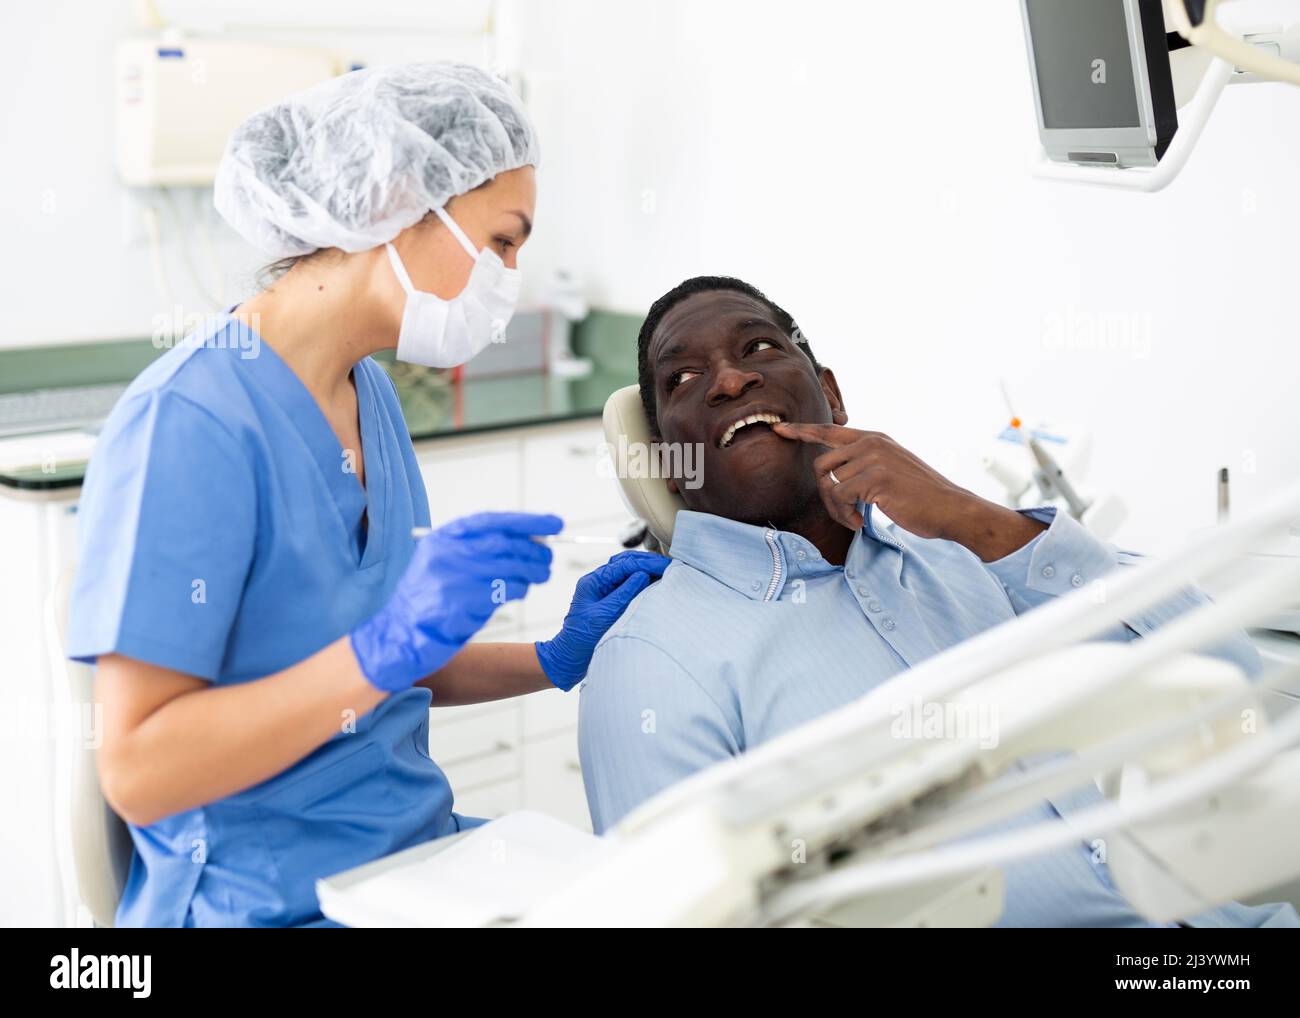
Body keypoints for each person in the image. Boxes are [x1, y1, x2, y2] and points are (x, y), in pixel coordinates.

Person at [68, 63, 667, 927]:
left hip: (413, 860)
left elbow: (378, 663)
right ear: (394, 193)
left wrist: (551, 657)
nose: (508, 277)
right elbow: (140, 769)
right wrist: (384, 645)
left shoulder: (367, 393)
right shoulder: (189, 422)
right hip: (265, 900)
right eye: (502, 241)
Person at [577, 274, 1297, 927]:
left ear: (831, 393)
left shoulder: (961, 555)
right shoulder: (653, 667)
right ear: (668, 468)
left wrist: (979, 521)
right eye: (683, 379)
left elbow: (1236, 689)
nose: (730, 380)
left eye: (758, 347)